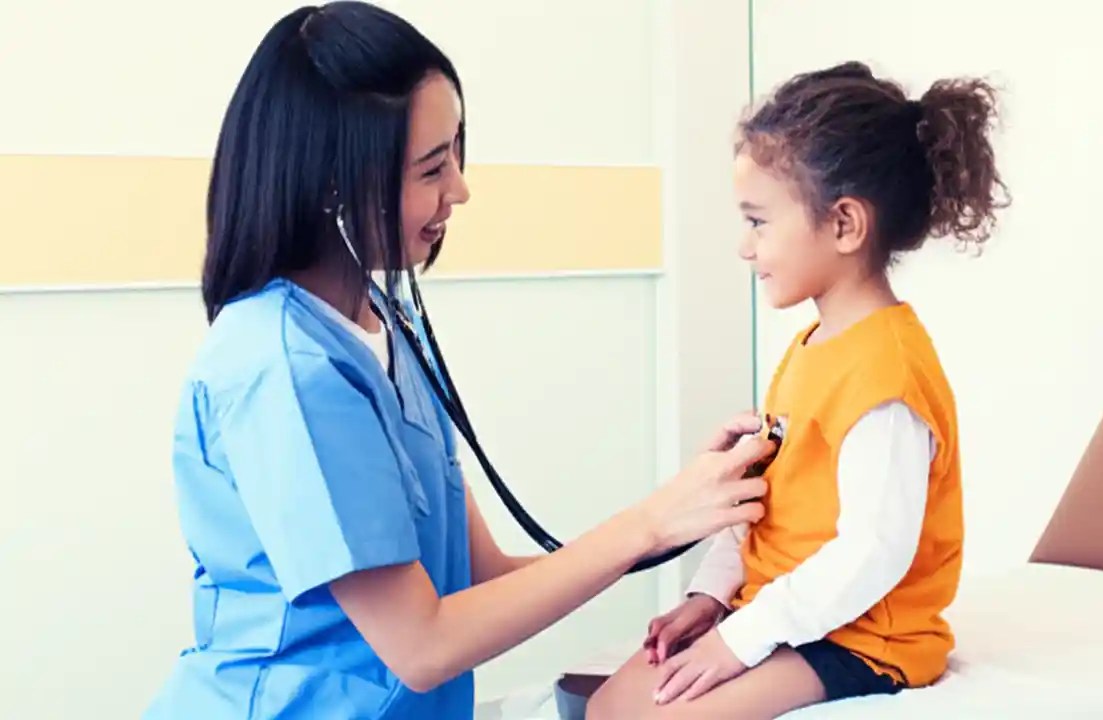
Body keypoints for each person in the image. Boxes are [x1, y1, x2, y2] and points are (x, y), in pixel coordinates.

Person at [142, 3, 775, 718]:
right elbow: (422, 645)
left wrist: (683, 533)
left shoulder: (390, 327)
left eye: (456, 156)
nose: (460, 190)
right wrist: (651, 523)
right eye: (431, 167)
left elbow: (479, 579)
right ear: (332, 187)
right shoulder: (283, 371)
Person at [586, 61, 1009, 719]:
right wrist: (710, 599)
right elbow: (763, 502)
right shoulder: (812, 348)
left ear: (843, 224)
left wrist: (737, 642)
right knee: (614, 706)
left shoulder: (886, 375)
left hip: (868, 638)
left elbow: (871, 554)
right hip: (792, 614)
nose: (745, 247)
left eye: (759, 221)